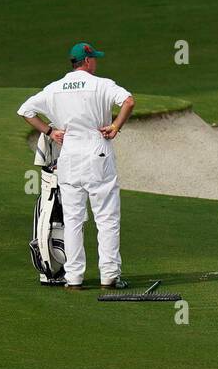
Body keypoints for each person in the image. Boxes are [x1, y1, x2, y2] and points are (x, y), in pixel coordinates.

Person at [17, 43, 135, 290]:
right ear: (88, 61)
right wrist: (115, 126)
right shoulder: (101, 84)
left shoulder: (54, 88)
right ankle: (109, 276)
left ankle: (73, 278)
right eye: (95, 59)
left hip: (69, 156)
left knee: (72, 220)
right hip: (97, 154)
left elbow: (26, 110)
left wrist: (50, 131)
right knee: (106, 219)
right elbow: (129, 101)